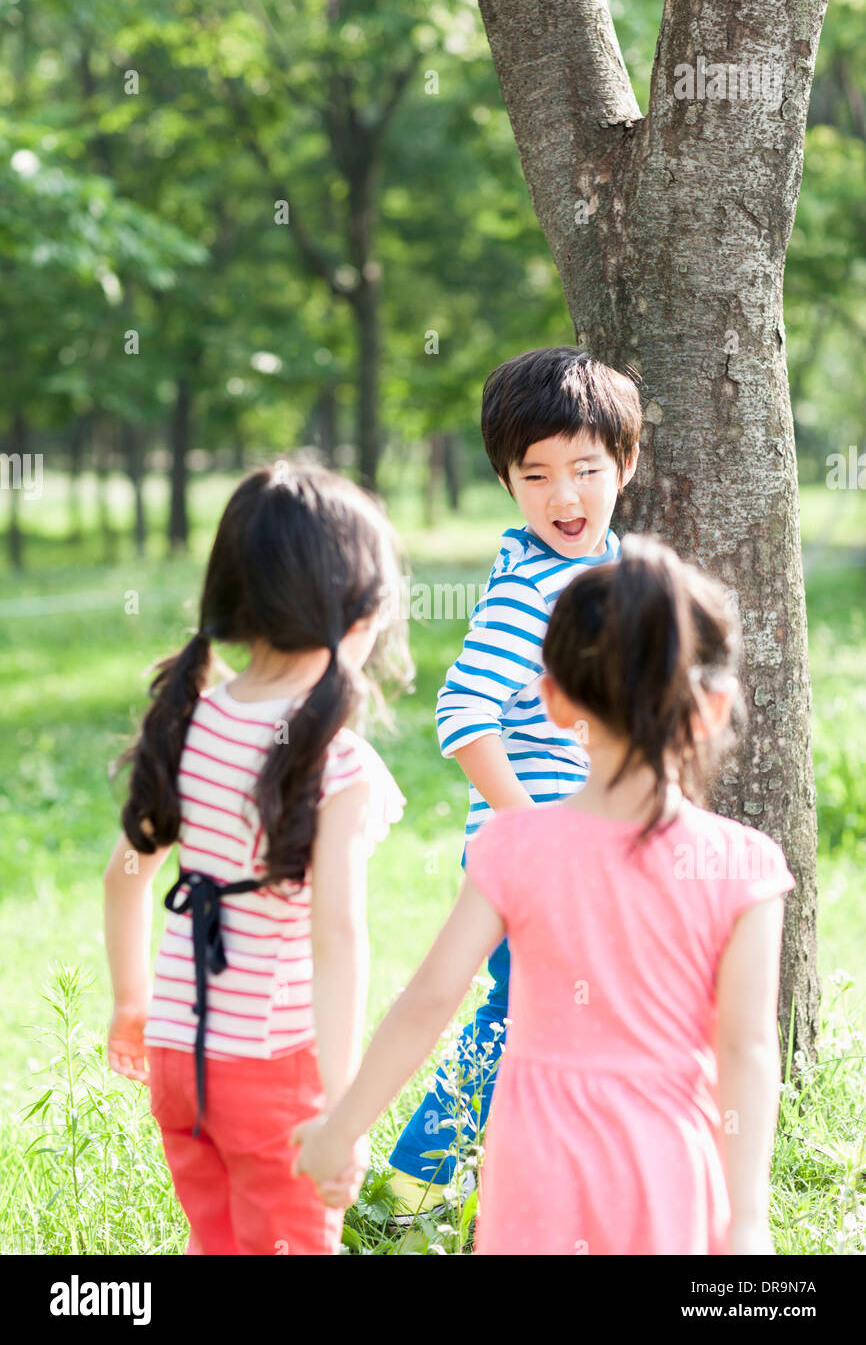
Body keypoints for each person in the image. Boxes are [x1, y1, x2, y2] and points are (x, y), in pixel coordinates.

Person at [295, 534, 796, 1255]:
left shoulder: (512, 848)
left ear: (554, 699)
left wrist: (341, 1130)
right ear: (715, 707)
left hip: (536, 1168)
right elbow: (747, 1047)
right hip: (669, 1172)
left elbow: (431, 1001)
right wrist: (746, 1220)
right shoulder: (744, 867)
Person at [103, 462, 411, 1255]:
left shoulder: (189, 717)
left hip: (178, 1053)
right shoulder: (338, 765)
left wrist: (131, 1005)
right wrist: (340, 1113)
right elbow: (336, 940)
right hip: (271, 1067)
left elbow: (125, 875)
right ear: (359, 610)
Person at [387, 347, 642, 1211]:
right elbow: (462, 715)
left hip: (594, 853)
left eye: (584, 469)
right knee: (516, 1020)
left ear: (626, 465)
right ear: (505, 481)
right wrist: (533, 828)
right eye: (535, 477)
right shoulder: (530, 590)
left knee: (568, 1018)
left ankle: (551, 1183)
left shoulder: (614, 568)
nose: (563, 498)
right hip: (533, 851)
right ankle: (413, 1188)